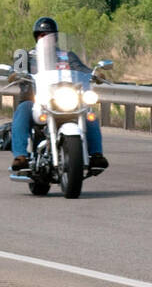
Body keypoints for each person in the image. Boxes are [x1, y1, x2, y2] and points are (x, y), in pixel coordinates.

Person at [10, 16, 108, 171]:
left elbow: (82, 70)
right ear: (37, 37)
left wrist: (95, 74)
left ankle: (96, 154)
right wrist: (15, 75)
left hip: (64, 98)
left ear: (55, 37)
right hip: (37, 99)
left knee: (89, 113)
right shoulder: (26, 56)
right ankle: (21, 156)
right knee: (22, 110)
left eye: (50, 35)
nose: (46, 38)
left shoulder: (67, 56)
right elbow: (16, 71)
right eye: (42, 35)